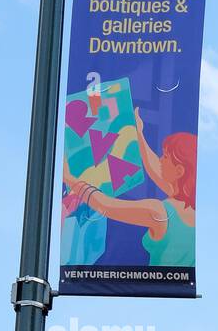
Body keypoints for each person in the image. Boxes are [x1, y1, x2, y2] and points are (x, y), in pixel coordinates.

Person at [63, 107, 196, 267]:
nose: (160, 159)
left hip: (153, 291)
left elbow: (105, 205)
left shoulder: (159, 212)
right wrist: (139, 134)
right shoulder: (191, 210)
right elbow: (156, 169)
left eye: (165, 156)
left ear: (179, 171)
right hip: (175, 289)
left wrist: (70, 178)